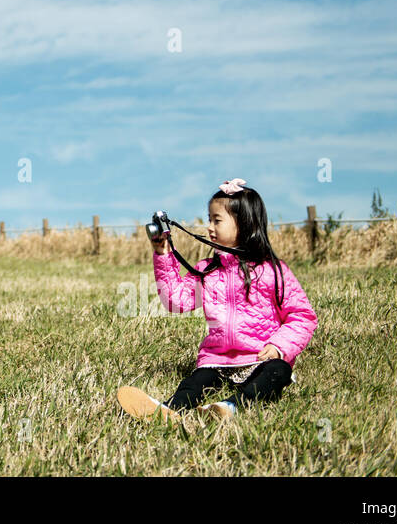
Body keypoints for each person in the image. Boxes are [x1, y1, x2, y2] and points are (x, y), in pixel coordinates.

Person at [117, 179, 318, 424]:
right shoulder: (207, 270)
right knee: (195, 383)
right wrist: (163, 256)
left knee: (279, 372)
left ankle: (231, 406)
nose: (209, 227)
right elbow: (175, 301)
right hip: (217, 360)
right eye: (209, 219)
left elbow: (302, 316)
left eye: (217, 220)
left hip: (259, 358)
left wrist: (279, 346)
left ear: (244, 224)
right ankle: (169, 409)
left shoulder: (272, 270)